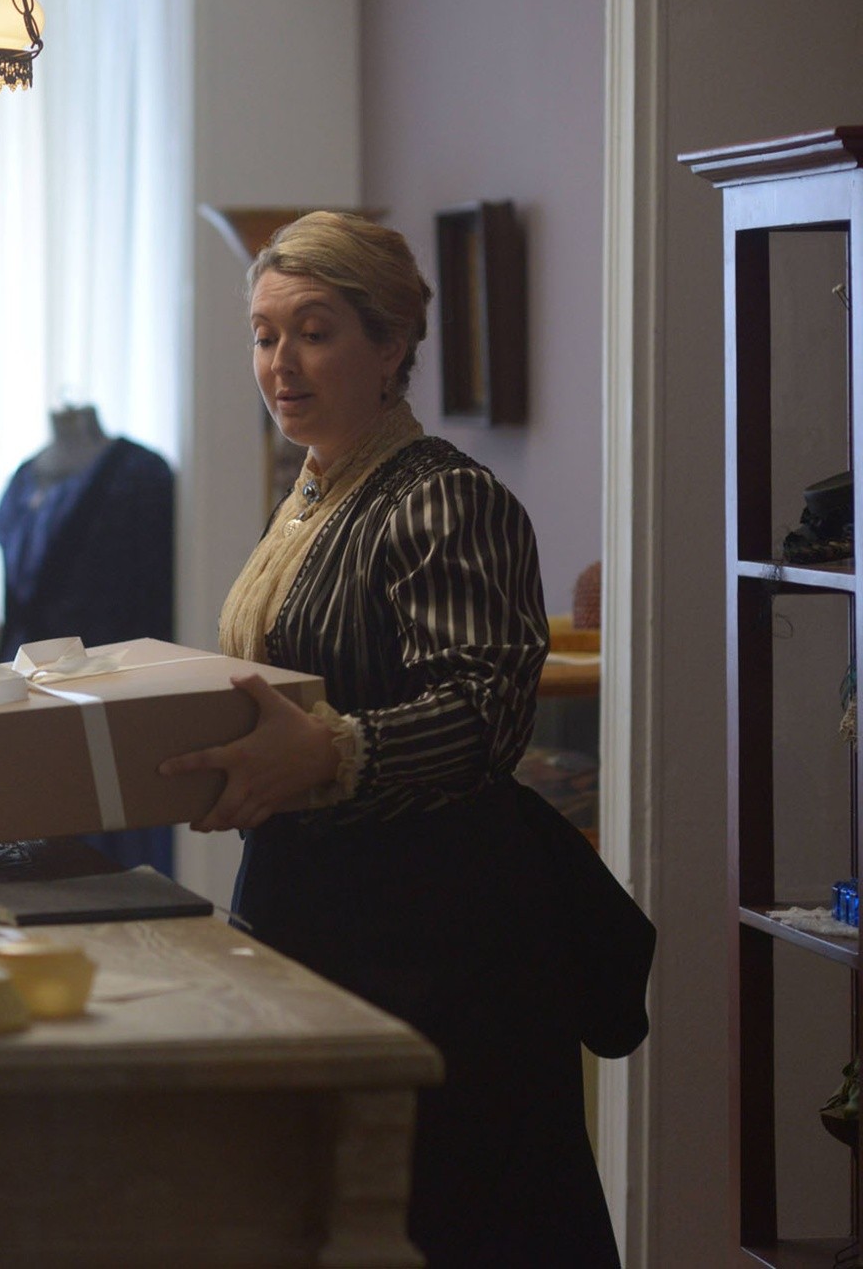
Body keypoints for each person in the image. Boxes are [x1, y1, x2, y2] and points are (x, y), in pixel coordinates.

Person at [159, 212, 620, 1266]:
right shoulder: (314, 493)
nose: (280, 362)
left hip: (434, 929)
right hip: (313, 901)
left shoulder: (445, 499)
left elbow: (482, 713)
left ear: (391, 344)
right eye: (264, 334)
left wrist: (322, 753)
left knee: (441, 1214)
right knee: (321, 1204)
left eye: (312, 331)